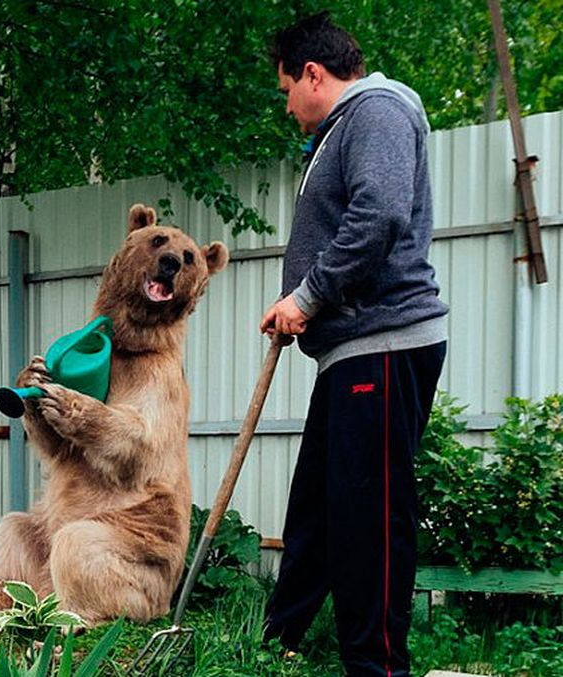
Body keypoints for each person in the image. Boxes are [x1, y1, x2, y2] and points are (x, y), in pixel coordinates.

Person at [258, 12, 448, 677]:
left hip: (387, 342)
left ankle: (377, 666)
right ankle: (277, 641)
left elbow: (381, 214)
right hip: (354, 349)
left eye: (287, 88)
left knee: (369, 512)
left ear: (314, 74)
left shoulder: (378, 114)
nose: (287, 106)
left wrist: (304, 298)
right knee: (318, 503)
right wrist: (304, 307)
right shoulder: (346, 130)